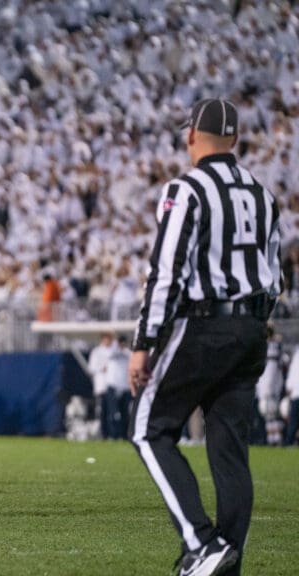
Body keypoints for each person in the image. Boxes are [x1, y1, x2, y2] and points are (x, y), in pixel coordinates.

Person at [128, 98, 280, 576]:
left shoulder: (187, 189)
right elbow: (274, 275)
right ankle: (223, 565)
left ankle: (201, 543)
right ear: (233, 139)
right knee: (230, 450)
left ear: (191, 135)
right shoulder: (262, 194)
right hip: (252, 328)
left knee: (148, 430)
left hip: (205, 324)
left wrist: (144, 343)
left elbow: (166, 270)